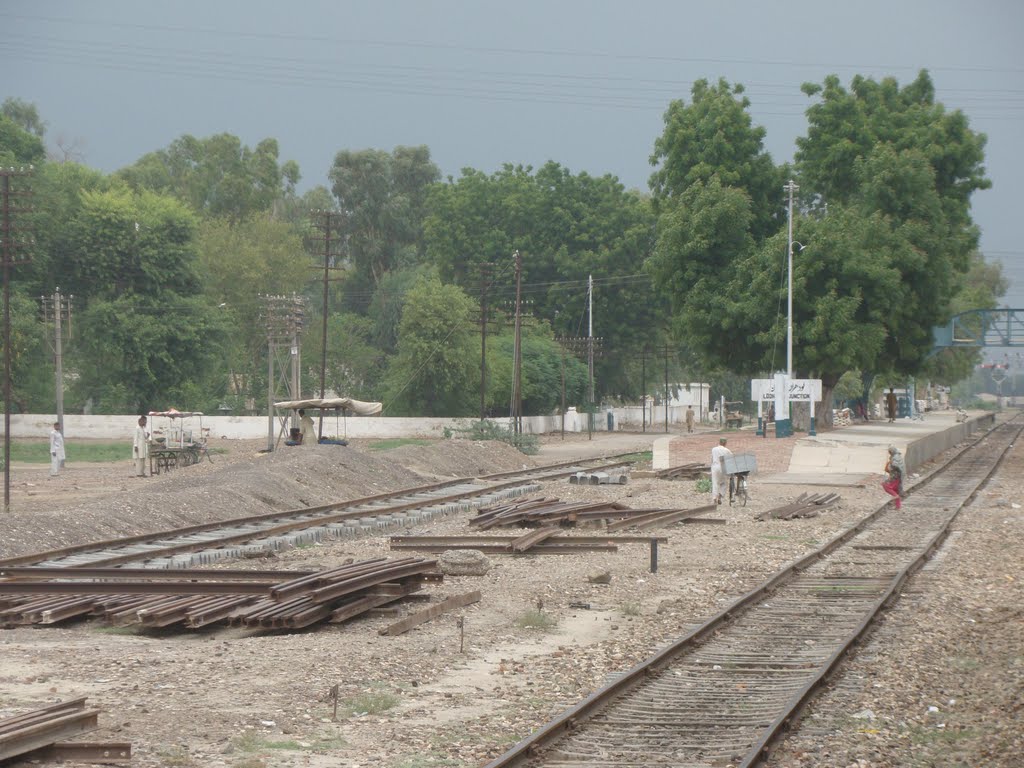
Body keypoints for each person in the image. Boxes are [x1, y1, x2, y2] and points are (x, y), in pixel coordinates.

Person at [710, 437, 733, 506]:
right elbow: (731, 459)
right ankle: (720, 496)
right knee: (724, 483)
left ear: (719, 442)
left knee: (715, 483)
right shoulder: (727, 450)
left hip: (715, 468)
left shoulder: (713, 449)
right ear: (725, 443)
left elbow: (712, 459)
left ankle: (714, 498)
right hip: (724, 468)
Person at [882, 444, 905, 510]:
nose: (889, 453)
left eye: (889, 451)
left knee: (886, 485)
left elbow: (895, 465)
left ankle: (895, 496)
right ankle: (898, 507)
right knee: (895, 490)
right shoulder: (898, 456)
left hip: (895, 477)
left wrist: (890, 464)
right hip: (898, 477)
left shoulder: (895, 457)